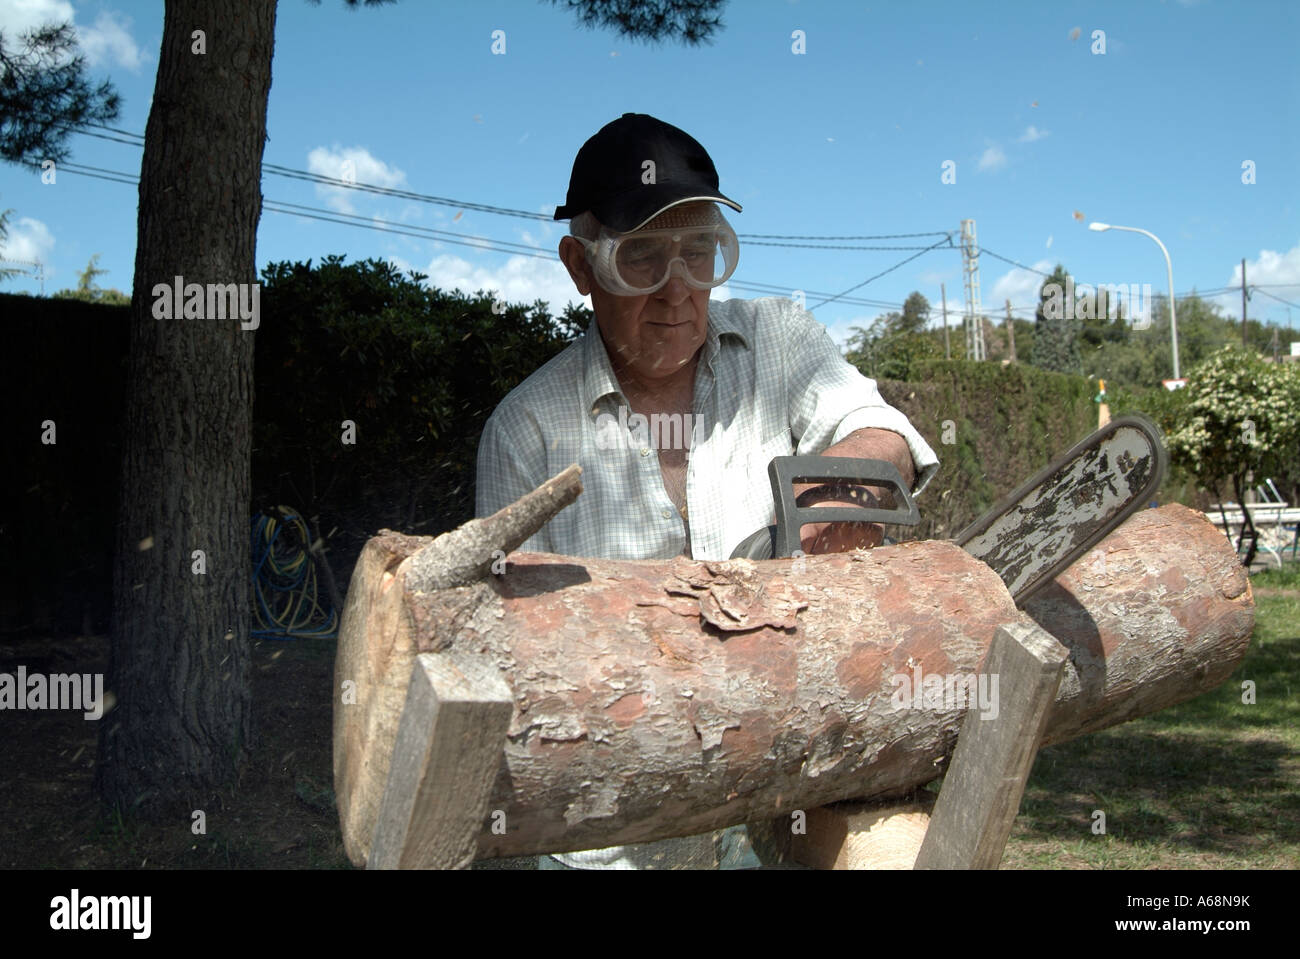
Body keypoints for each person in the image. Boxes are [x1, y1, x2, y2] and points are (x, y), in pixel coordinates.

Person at [476, 113, 939, 869]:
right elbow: (519, 667)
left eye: (701, 254)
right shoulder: (525, 431)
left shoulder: (778, 340)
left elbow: (878, 427)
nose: (677, 291)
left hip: (779, 793)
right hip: (614, 835)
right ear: (580, 265)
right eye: (642, 260)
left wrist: (837, 493)